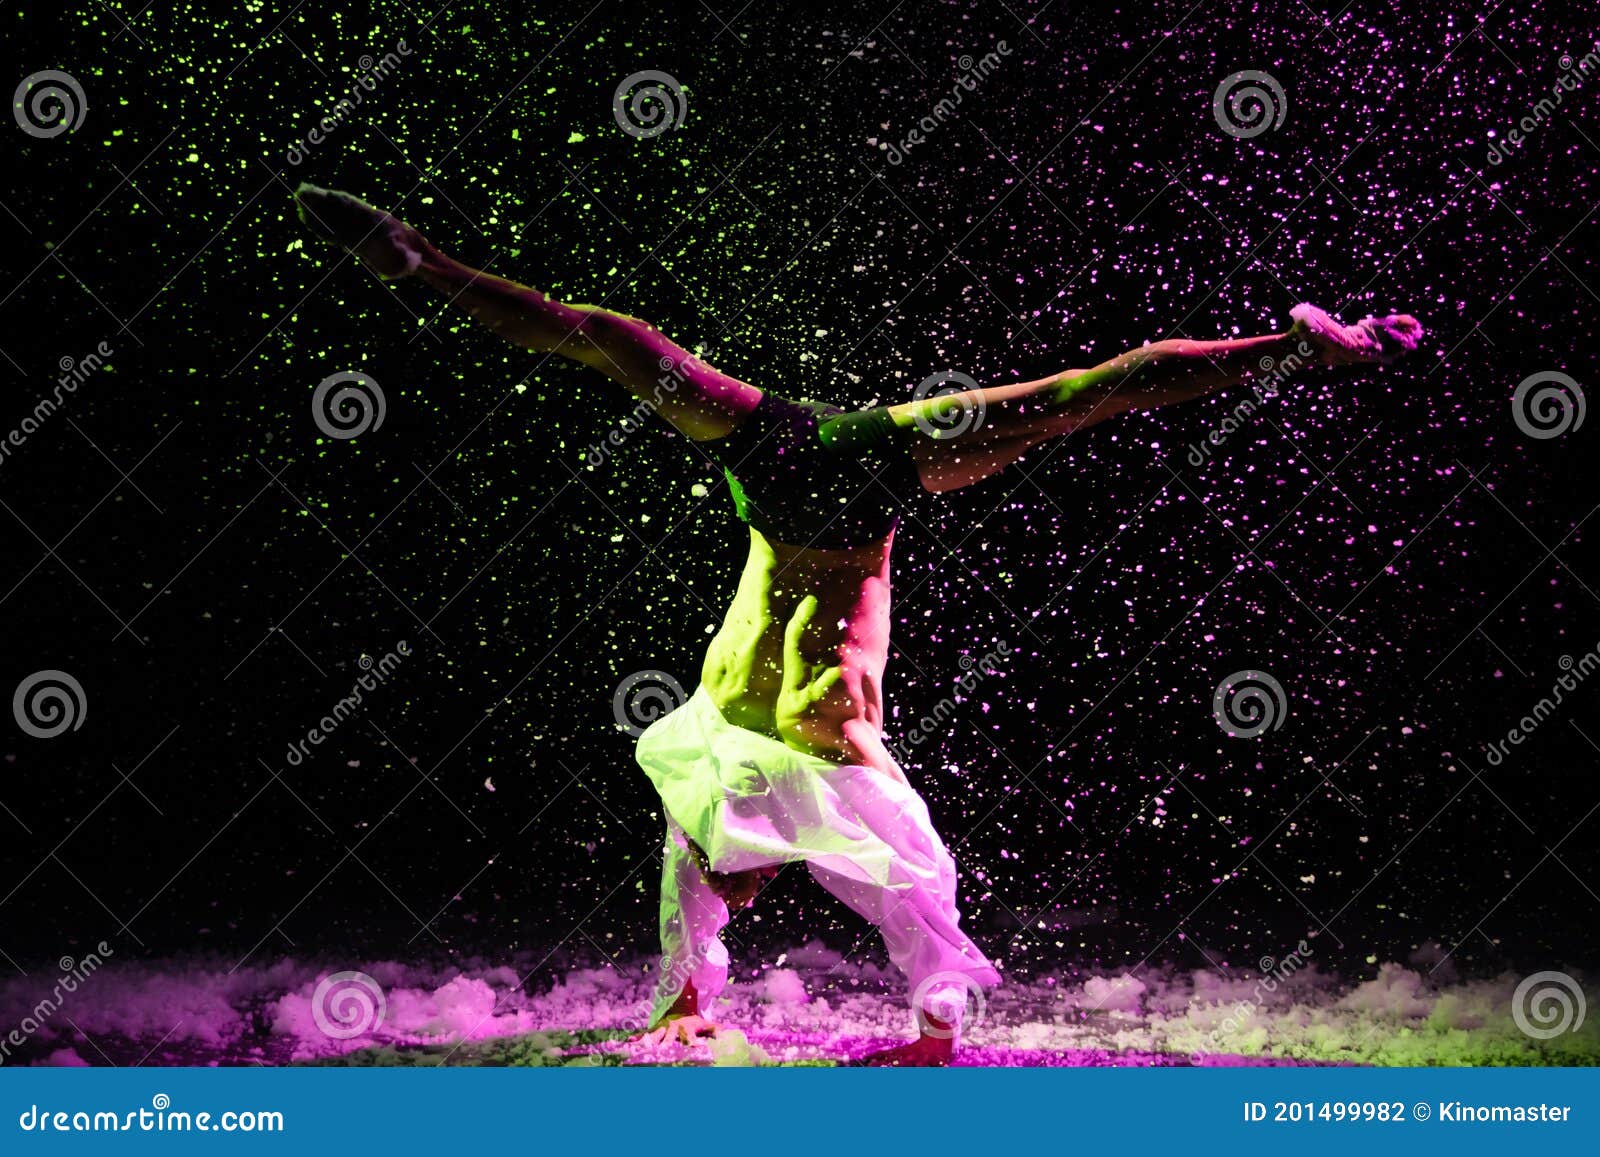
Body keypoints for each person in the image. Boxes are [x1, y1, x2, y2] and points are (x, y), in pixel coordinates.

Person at [293, 182, 1423, 1064]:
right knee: (1071, 395)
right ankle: (423, 261)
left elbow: (867, 887)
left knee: (609, 342)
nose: (747, 882)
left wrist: (930, 1028)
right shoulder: (740, 767)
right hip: (811, 475)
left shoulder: (744, 763)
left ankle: (421, 260)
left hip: (791, 476)